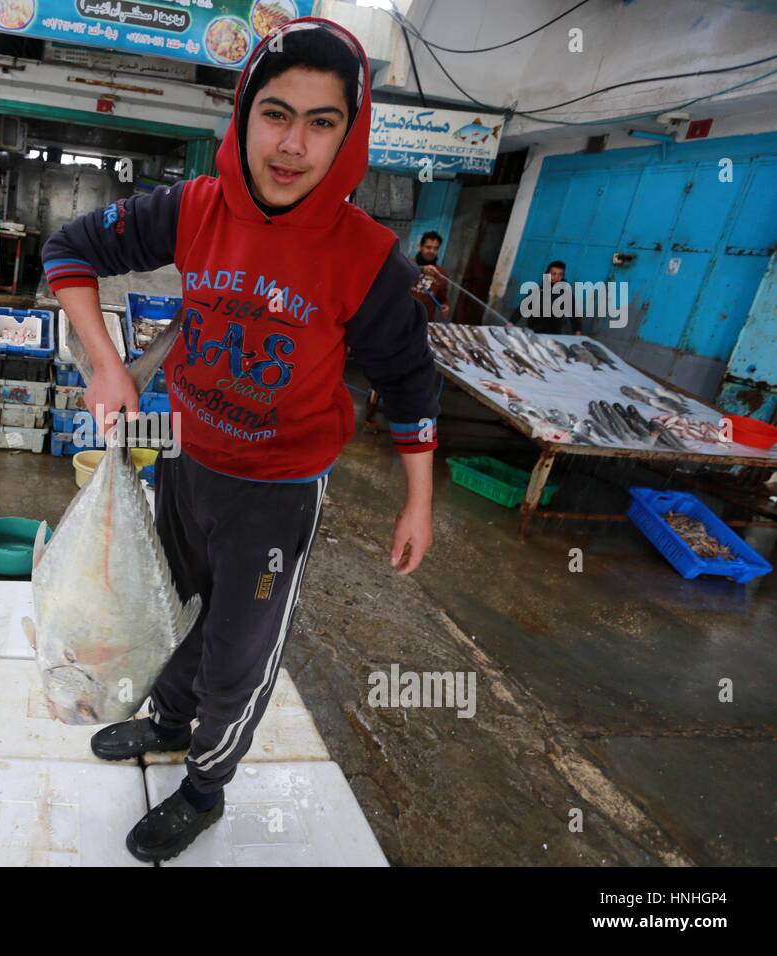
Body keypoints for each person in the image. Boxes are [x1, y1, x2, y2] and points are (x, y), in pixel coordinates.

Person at [42, 17, 441, 863]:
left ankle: (205, 787)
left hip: (277, 490)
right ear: (244, 113)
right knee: (172, 610)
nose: (292, 144)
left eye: (321, 121)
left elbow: (410, 383)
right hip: (185, 460)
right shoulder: (196, 206)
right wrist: (107, 366)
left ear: (350, 132)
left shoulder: (371, 261)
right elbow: (69, 250)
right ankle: (168, 723)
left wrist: (418, 501)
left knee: (239, 653)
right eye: (275, 113)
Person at [510, 260, 577, 334]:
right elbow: (521, 309)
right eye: (553, 274)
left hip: (554, 334)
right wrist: (511, 322)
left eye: (560, 274)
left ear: (563, 276)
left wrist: (577, 332)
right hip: (533, 332)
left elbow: (574, 315)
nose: (556, 277)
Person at [412, 230, 450, 318]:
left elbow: (442, 298)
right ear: (421, 247)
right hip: (400, 318)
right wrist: (421, 269)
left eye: (436, 248)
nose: (432, 251)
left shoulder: (440, 273)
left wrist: (445, 305)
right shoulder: (408, 264)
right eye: (428, 247)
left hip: (423, 321)